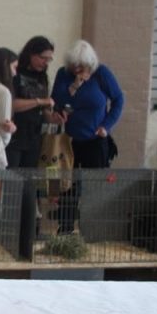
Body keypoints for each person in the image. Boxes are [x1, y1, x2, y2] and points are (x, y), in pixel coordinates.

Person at [50, 39, 124, 233]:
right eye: (73, 65)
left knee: (95, 184)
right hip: (70, 141)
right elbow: (57, 101)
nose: (77, 69)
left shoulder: (101, 74)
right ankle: (65, 228)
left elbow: (118, 99)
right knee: (68, 184)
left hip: (95, 140)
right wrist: (75, 86)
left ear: (90, 63)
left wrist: (106, 125)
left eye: (81, 65)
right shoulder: (63, 74)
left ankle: (92, 229)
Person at [5, 36, 60, 168]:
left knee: (30, 176)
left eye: (49, 59)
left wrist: (52, 118)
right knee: (11, 176)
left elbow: (44, 108)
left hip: (35, 136)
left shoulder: (42, 76)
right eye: (43, 58)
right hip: (14, 135)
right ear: (31, 54)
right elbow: (10, 104)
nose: (46, 63)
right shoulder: (15, 73)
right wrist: (39, 101)